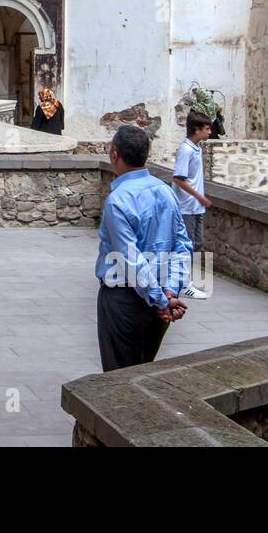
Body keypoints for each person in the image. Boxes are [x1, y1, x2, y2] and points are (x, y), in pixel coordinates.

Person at [94, 125, 192, 371]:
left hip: (124, 300)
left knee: (120, 375)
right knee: (143, 368)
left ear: (114, 154)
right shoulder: (165, 191)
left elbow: (130, 260)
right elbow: (182, 246)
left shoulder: (119, 201)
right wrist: (170, 291)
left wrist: (161, 299)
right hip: (158, 298)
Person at [172, 109, 213, 300]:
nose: (210, 132)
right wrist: (199, 196)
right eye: (207, 128)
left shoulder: (196, 148)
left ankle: (185, 280)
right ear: (197, 130)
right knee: (186, 245)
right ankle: (184, 284)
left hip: (195, 207)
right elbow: (179, 179)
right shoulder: (186, 149)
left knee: (196, 244)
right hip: (186, 206)